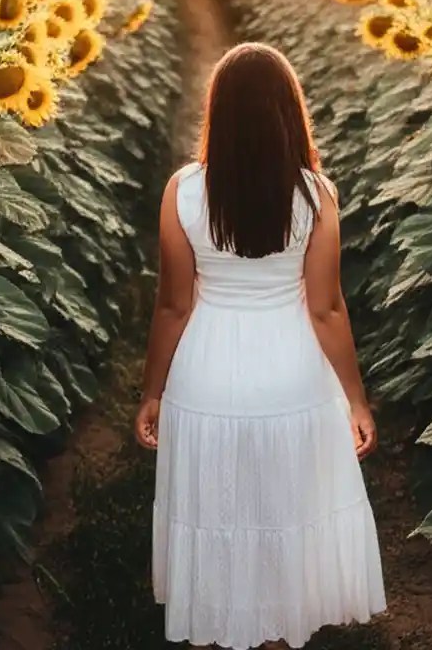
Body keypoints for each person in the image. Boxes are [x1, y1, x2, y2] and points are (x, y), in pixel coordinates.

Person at [135, 42, 387, 650]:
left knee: (216, 514)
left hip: (206, 371)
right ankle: (276, 635)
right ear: (287, 113)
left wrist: (151, 393)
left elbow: (173, 304)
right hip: (290, 371)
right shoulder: (314, 195)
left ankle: (217, 631)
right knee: (282, 517)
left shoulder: (183, 191)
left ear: (216, 113)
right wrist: (355, 399)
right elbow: (325, 308)